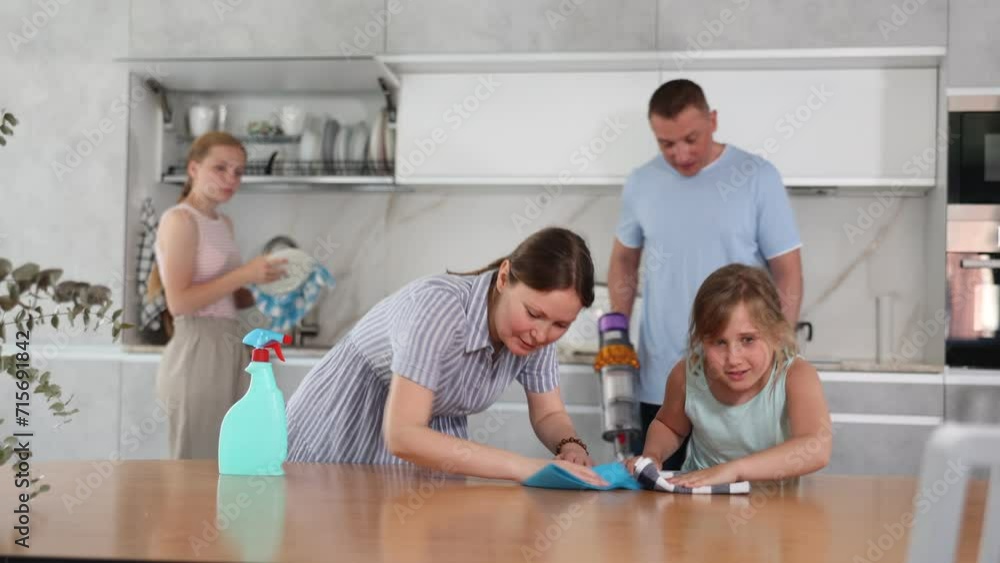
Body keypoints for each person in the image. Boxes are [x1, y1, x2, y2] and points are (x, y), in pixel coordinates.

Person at [286, 227, 607, 486]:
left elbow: (549, 414)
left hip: (427, 448)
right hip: (344, 425)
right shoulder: (439, 308)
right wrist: (524, 468)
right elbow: (403, 435)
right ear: (504, 277)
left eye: (561, 324)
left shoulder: (533, 335)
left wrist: (571, 446)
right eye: (533, 313)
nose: (542, 334)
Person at [609, 78, 804, 468]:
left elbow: (788, 272)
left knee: (745, 501)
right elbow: (623, 262)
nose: (680, 154)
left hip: (741, 374)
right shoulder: (641, 183)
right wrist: (616, 334)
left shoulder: (757, 177)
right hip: (662, 375)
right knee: (660, 504)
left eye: (690, 139)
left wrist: (777, 350)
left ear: (713, 120)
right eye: (666, 144)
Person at [625, 264, 830, 486]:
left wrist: (735, 470)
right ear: (700, 340)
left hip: (774, 508)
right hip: (698, 505)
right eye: (718, 342)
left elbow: (816, 447)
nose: (733, 358)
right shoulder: (687, 375)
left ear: (776, 332)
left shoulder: (795, 376)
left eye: (748, 340)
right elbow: (669, 426)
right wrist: (653, 455)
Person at [153, 132, 287, 459]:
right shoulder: (180, 220)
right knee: (194, 466)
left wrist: (268, 284)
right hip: (196, 349)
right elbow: (180, 302)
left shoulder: (223, 222)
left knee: (230, 462)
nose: (231, 178)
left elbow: (230, 295)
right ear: (194, 169)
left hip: (229, 346)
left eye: (238, 172)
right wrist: (245, 274)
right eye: (220, 168)